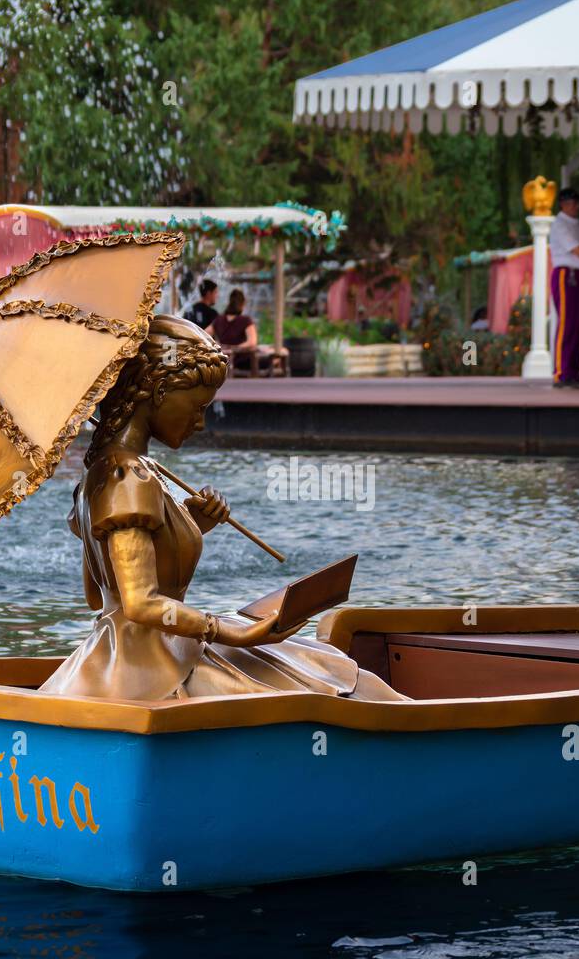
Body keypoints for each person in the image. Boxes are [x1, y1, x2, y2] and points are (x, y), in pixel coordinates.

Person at [40, 314, 405, 702]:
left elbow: (99, 596)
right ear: (158, 392)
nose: (200, 422)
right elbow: (138, 603)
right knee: (334, 687)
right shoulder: (129, 478)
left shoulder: (100, 475)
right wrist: (234, 632)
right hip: (152, 664)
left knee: (320, 665)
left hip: (137, 650)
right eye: (197, 406)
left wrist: (189, 524)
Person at [549, 187, 579, 388]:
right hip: (566, 275)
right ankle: (561, 372)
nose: (577, 206)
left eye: (578, 202)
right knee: (567, 323)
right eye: (573, 202)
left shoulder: (578, 225)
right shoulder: (560, 224)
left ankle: (573, 370)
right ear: (563, 204)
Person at [210, 288, 259, 371]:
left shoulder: (219, 320)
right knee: (276, 359)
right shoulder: (246, 320)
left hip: (224, 360)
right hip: (243, 361)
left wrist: (218, 345)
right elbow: (252, 342)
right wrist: (234, 348)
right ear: (242, 304)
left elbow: (202, 335)